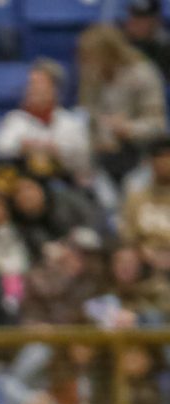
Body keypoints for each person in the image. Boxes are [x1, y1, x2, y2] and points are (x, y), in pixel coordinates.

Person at [78, 23, 170, 183]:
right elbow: (87, 117)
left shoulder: (143, 74)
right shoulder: (91, 77)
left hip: (140, 156)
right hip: (101, 158)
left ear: (109, 54)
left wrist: (127, 128)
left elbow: (158, 125)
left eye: (90, 58)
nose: (86, 65)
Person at [0, 61, 94, 190]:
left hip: (65, 184)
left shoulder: (70, 122)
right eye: (30, 84)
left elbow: (83, 158)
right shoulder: (16, 118)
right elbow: (0, 147)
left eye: (39, 84)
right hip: (22, 185)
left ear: (55, 89)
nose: (32, 89)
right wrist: (24, 147)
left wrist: (54, 149)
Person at [120, 136, 170, 267]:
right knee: (125, 257)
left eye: (167, 157)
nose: (164, 162)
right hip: (144, 261)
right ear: (150, 162)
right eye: (158, 157)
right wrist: (142, 252)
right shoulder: (137, 198)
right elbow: (128, 236)